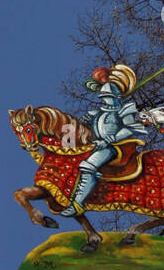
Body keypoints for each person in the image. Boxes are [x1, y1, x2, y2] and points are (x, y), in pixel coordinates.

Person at [61, 64, 148, 216]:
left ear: (116, 97)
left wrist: (109, 139)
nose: (106, 100)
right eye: (104, 97)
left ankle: (77, 204)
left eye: (109, 97)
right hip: (96, 145)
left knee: (87, 165)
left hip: (115, 148)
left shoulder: (124, 110)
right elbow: (81, 124)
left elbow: (130, 128)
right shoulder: (98, 112)